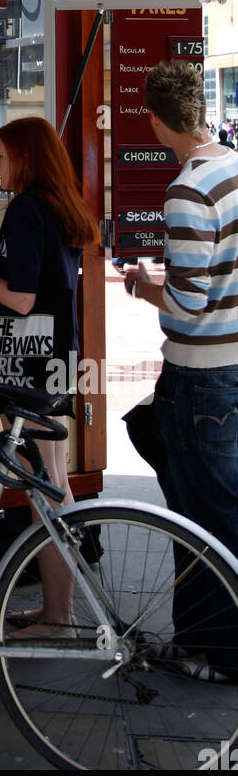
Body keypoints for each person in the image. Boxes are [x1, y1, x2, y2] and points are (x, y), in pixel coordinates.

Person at [0, 117, 98, 636]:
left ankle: (60, 615)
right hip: (53, 356)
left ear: (25, 159)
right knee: (52, 483)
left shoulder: (25, 209)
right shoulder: (60, 205)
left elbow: (21, 298)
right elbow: (38, 272)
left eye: (2, 156)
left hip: (22, 362)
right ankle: (58, 611)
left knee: (48, 488)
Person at [123, 62, 238, 675]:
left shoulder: (188, 189)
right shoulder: (235, 169)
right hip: (234, 363)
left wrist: (143, 287)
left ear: (156, 120)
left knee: (205, 517)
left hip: (202, 374)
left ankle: (217, 651)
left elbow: (190, 302)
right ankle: (203, 643)